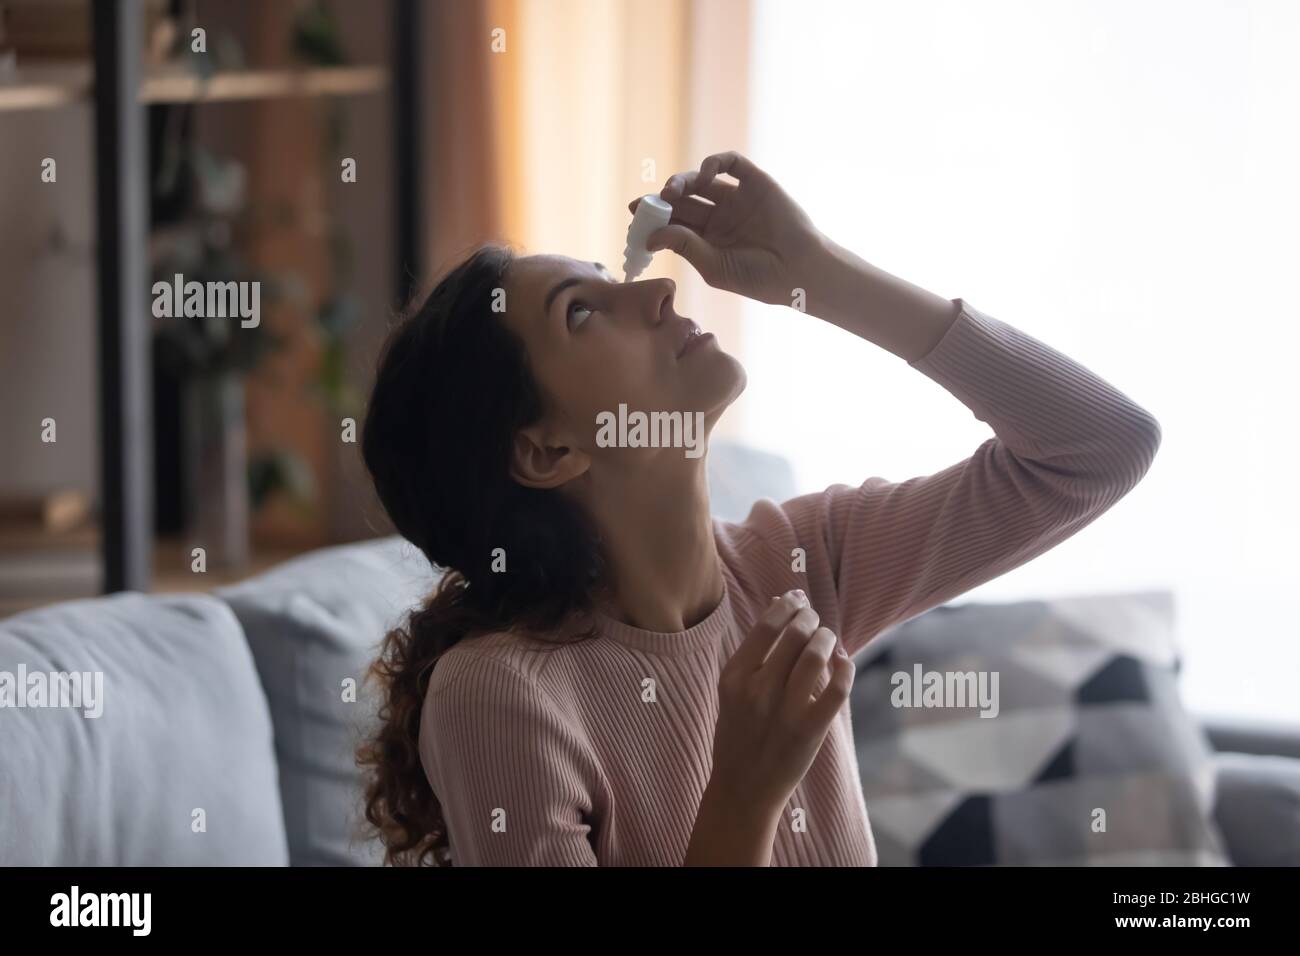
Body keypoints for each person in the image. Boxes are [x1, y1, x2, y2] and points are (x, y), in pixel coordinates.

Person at [357, 150, 1162, 866]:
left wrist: (817, 271)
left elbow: (1100, 447)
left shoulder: (802, 561)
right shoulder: (500, 700)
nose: (658, 292)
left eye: (612, 277)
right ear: (548, 450)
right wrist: (742, 795)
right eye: (580, 310)